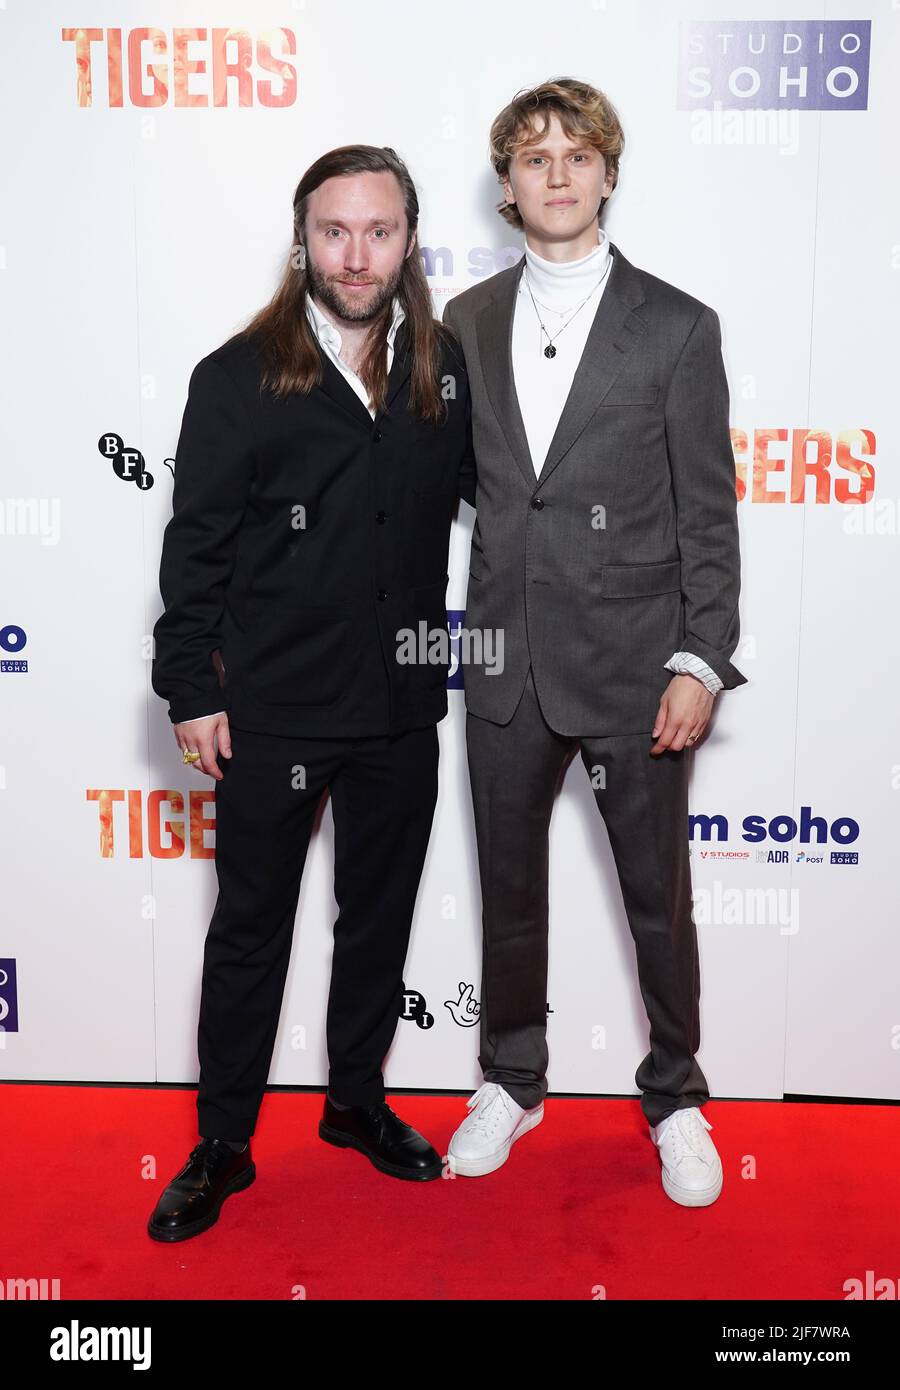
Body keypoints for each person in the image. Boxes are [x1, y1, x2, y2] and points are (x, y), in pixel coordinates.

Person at [148, 144, 475, 1242]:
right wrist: (189, 689)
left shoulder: (443, 370)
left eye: (379, 231)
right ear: (303, 241)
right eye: (335, 231)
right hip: (274, 709)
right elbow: (195, 550)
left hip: (401, 707)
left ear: (409, 240)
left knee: (377, 921)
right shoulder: (236, 376)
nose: (356, 254)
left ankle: (355, 1103)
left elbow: (501, 496)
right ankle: (223, 1143)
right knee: (251, 930)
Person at [441, 78, 746, 1206]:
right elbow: (464, 485)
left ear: (610, 173)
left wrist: (700, 658)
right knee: (508, 889)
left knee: (657, 897)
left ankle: (676, 1094)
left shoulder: (677, 325)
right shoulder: (465, 321)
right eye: (535, 157)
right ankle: (511, 1079)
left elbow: (707, 511)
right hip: (502, 663)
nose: (558, 174)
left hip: (636, 669)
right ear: (508, 183)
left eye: (578, 154)